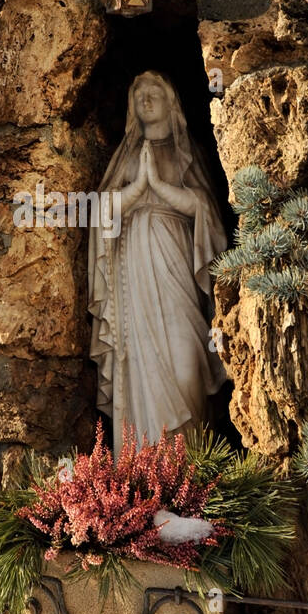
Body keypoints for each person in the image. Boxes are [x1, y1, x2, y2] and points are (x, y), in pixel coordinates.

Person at [88, 70, 228, 453]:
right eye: (139, 94)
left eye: (154, 92)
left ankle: (193, 474)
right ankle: (144, 474)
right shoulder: (127, 156)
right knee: (137, 367)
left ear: (172, 102)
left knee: (188, 365)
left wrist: (161, 187)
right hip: (133, 272)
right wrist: (138, 188)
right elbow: (103, 213)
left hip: (178, 265)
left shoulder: (188, 152)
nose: (145, 99)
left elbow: (206, 212)